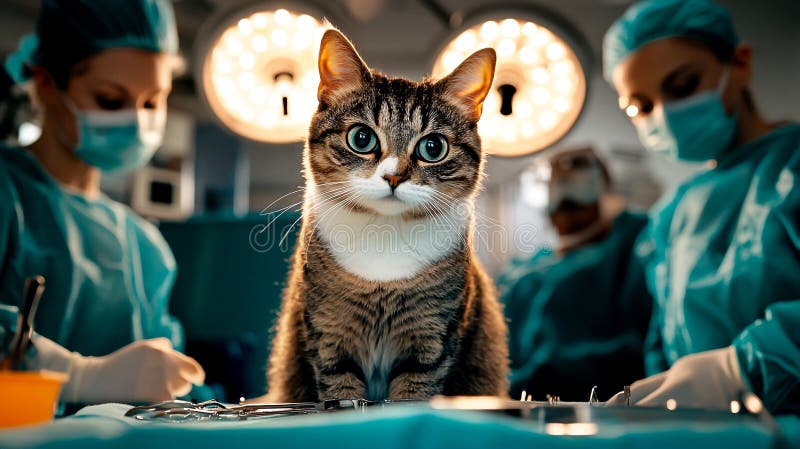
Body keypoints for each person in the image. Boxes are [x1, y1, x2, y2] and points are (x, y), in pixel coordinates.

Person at [0, 0, 205, 404]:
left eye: (152, 102)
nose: (137, 119)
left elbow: (172, 387)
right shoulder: (8, 193)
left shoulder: (145, 248)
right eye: (112, 100)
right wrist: (78, 377)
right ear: (45, 83)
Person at [603, 0, 800, 413]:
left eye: (682, 85)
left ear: (740, 64)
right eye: (641, 105)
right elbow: (665, 344)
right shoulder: (669, 217)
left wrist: (737, 371)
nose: (666, 114)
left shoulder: (791, 168)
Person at [499, 148, 653, 401]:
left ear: (604, 196)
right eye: (559, 208)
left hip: (603, 408)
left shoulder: (630, 246)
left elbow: (642, 343)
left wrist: (545, 377)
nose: (567, 219)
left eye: (576, 206)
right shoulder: (527, 271)